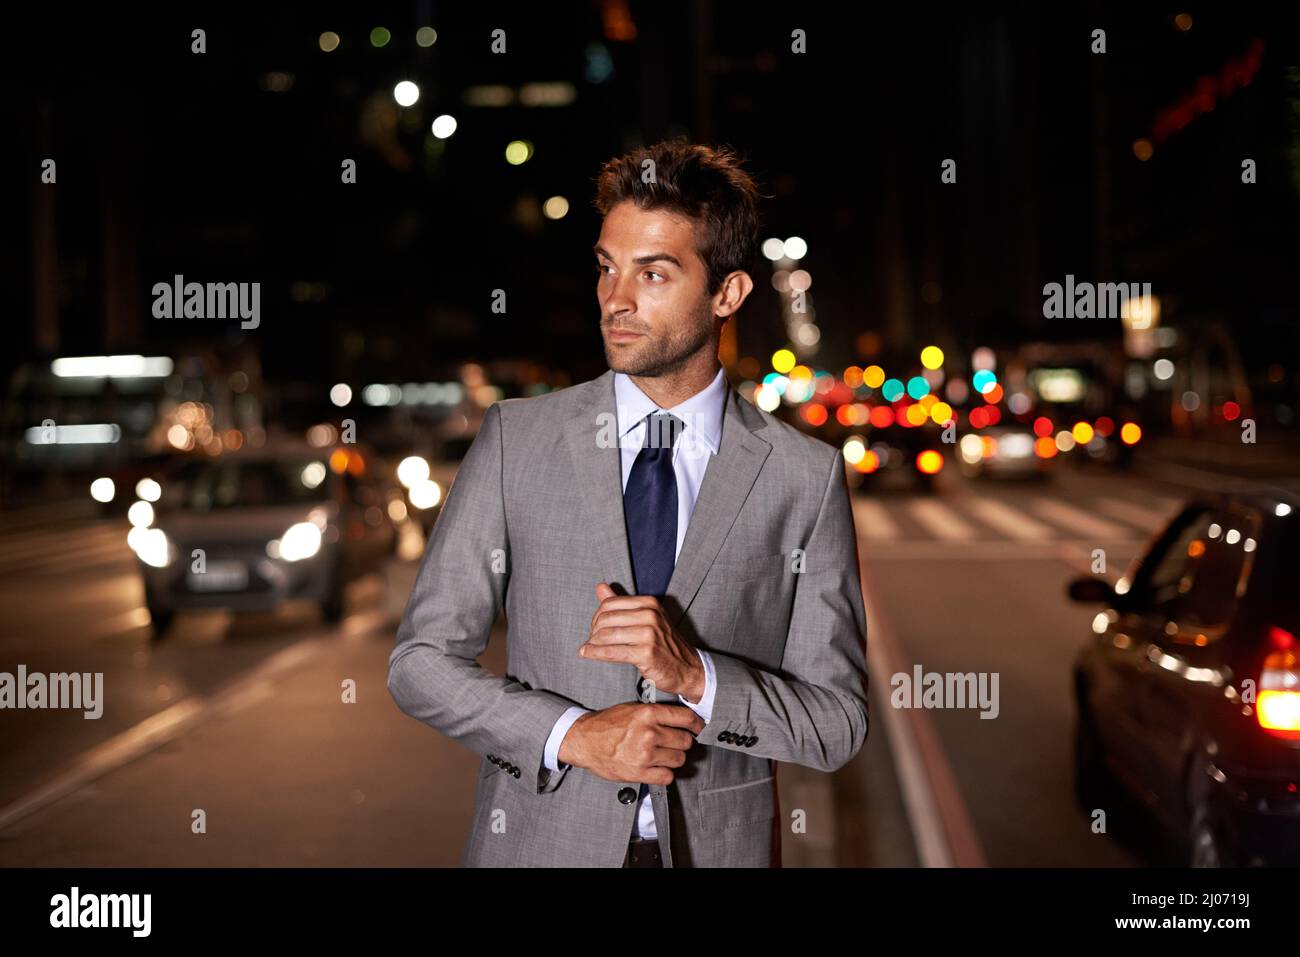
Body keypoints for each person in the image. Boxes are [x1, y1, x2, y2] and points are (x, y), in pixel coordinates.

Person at [387, 138, 869, 867]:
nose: (616, 298)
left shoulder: (804, 477)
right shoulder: (519, 440)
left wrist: (696, 676)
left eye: (653, 273)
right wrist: (572, 734)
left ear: (727, 294)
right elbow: (420, 662)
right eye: (608, 268)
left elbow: (835, 722)